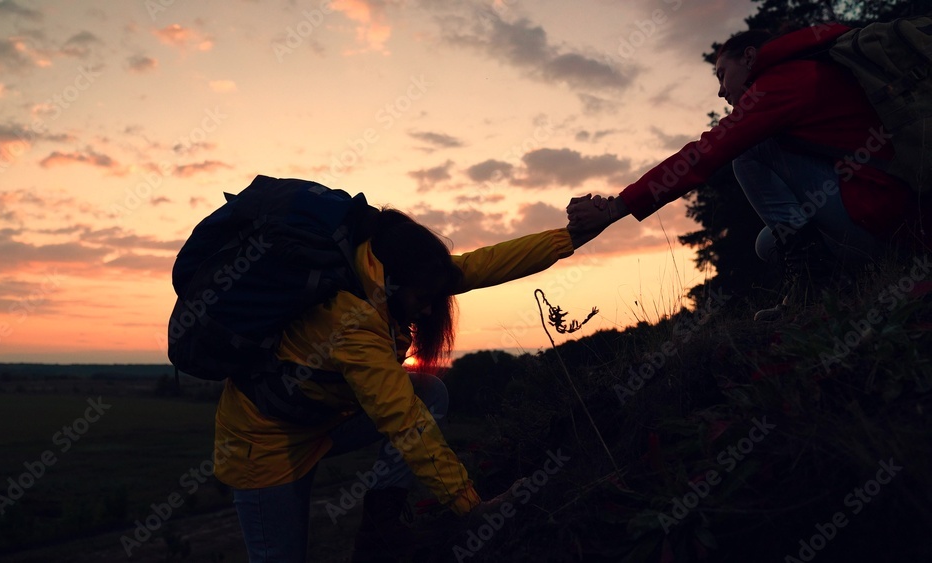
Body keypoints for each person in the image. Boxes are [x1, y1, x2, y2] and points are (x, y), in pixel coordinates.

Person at [212, 203, 598, 562]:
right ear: (396, 285)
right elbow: (402, 419)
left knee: (430, 391)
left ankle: (380, 526)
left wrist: (570, 238)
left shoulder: (389, 273)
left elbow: (487, 263)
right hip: (265, 447)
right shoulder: (352, 320)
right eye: (423, 298)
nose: (430, 309)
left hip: (321, 422)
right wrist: (471, 506)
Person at [567, 23, 929, 320]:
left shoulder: (786, 82)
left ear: (750, 57)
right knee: (768, 243)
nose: (722, 91)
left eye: (723, 75)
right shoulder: (807, 70)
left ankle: (814, 288)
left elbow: (706, 153)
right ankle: (834, 282)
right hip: (886, 214)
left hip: (887, 220)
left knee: (750, 152)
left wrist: (618, 207)